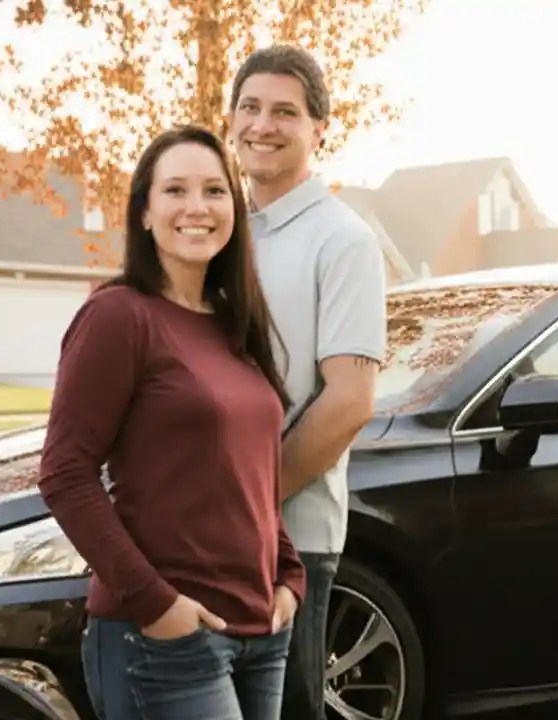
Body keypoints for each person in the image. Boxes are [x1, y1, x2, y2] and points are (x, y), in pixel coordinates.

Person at [37, 124, 307, 720]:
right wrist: (157, 605)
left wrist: (287, 576)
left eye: (215, 191)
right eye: (176, 190)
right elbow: (64, 473)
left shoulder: (234, 324)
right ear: (144, 213)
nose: (197, 207)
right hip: (165, 639)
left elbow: (250, 474)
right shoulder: (118, 317)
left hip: (261, 629)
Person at [228, 45, 387, 719]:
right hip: (202, 530)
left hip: (288, 534)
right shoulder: (221, 227)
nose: (263, 125)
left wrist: (248, 500)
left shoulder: (342, 241)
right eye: (251, 107)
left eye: (285, 112)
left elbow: (349, 401)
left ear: (319, 128)